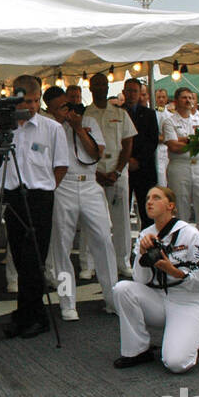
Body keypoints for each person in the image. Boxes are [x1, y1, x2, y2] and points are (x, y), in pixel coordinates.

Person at [111, 186, 199, 373]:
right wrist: (142, 255)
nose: (149, 201)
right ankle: (137, 350)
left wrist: (173, 271)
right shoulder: (145, 235)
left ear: (170, 206)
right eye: (148, 197)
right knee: (122, 289)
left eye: (156, 197)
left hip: (188, 302)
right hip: (159, 299)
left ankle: (191, 338)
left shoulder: (190, 234)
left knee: (176, 363)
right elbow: (139, 282)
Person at [0, 75, 68, 339]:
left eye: (36, 100)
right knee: (18, 256)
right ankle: (25, 313)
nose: (32, 105)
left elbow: (60, 165)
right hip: (13, 196)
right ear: (15, 99)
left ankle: (34, 317)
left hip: (39, 198)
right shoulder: (4, 128)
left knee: (35, 259)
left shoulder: (52, 128)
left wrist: (47, 189)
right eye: (26, 100)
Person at [43, 88, 117, 321]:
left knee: (104, 241)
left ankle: (113, 298)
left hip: (89, 185)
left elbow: (96, 153)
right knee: (62, 248)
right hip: (63, 186)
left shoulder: (89, 122)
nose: (66, 110)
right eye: (59, 108)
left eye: (67, 105)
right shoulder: (49, 129)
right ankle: (67, 302)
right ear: (51, 110)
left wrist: (77, 129)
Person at [87, 73, 135, 276]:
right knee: (91, 219)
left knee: (121, 220)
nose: (101, 88)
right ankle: (88, 263)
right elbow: (82, 146)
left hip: (118, 172)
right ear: (90, 88)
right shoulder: (85, 115)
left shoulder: (120, 113)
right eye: (97, 84)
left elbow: (127, 144)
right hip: (93, 173)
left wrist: (116, 171)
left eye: (104, 84)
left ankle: (123, 261)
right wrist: (96, 172)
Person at [160, 88, 199, 242]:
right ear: (176, 101)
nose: (188, 101)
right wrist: (195, 141)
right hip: (179, 167)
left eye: (191, 98)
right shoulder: (169, 121)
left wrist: (185, 140)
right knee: (181, 209)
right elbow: (174, 147)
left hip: (198, 166)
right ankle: (182, 246)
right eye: (184, 98)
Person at [122, 78, 159, 226]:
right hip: (122, 166)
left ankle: (148, 244)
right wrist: (126, 159)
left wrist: (138, 160)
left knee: (148, 211)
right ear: (124, 92)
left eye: (135, 91)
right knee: (122, 209)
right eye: (128, 91)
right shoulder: (118, 112)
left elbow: (153, 141)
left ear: (140, 94)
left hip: (144, 168)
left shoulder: (149, 114)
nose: (131, 94)